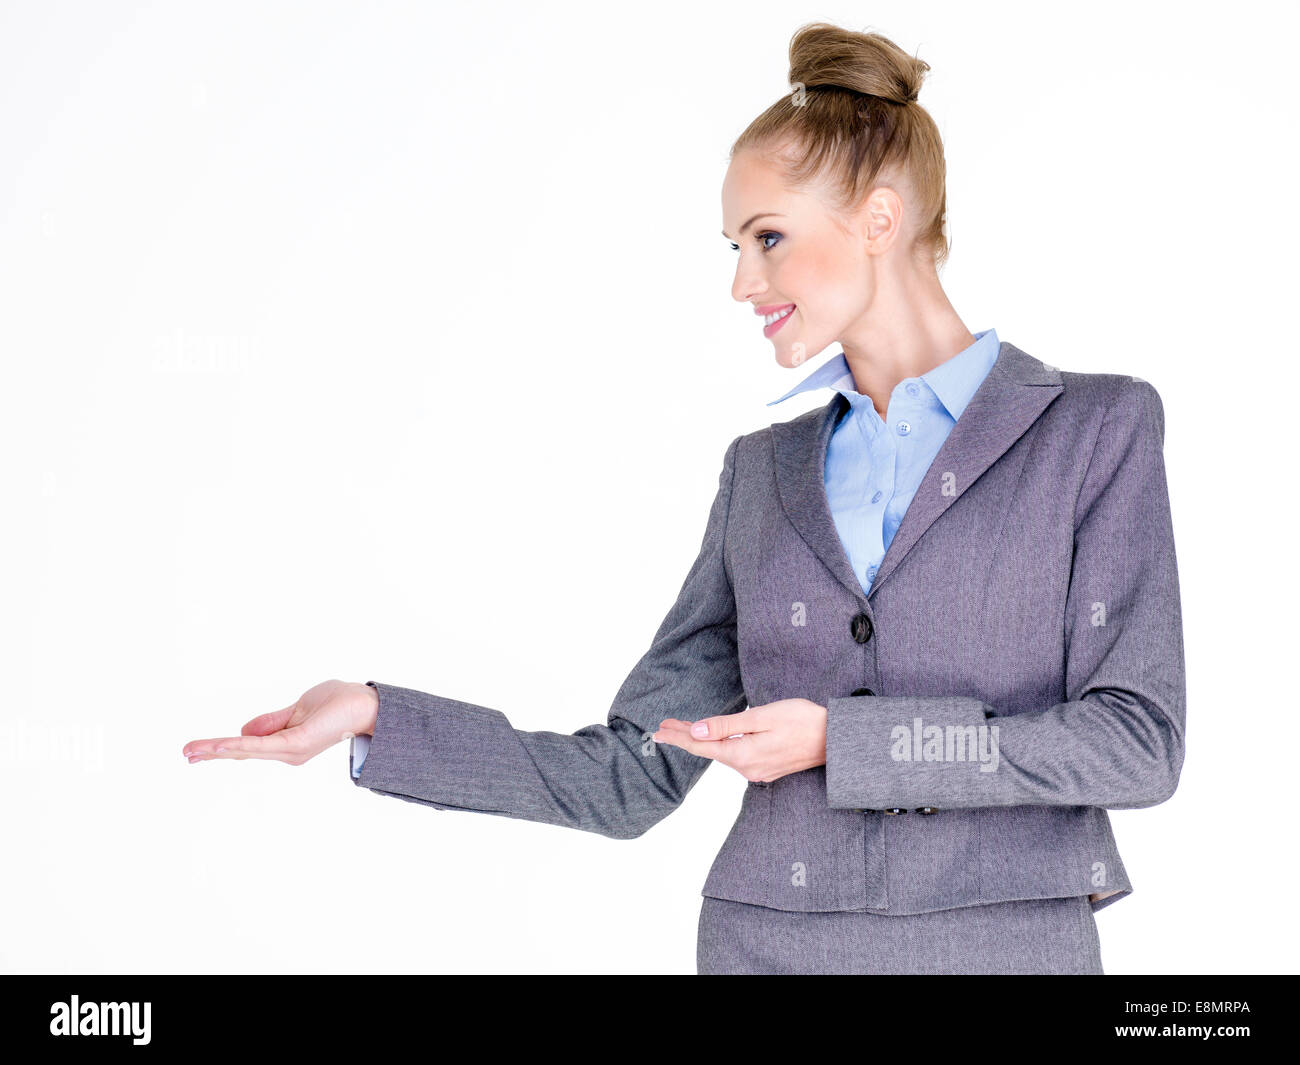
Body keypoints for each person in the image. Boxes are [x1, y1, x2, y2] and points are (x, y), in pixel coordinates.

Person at [182, 22, 1185, 975]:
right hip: (766, 946)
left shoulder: (1094, 433)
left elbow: (1135, 744)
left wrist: (845, 741)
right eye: (734, 247)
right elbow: (631, 773)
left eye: (768, 238)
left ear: (879, 218)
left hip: (1007, 949)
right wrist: (374, 719)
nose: (744, 284)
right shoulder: (764, 476)